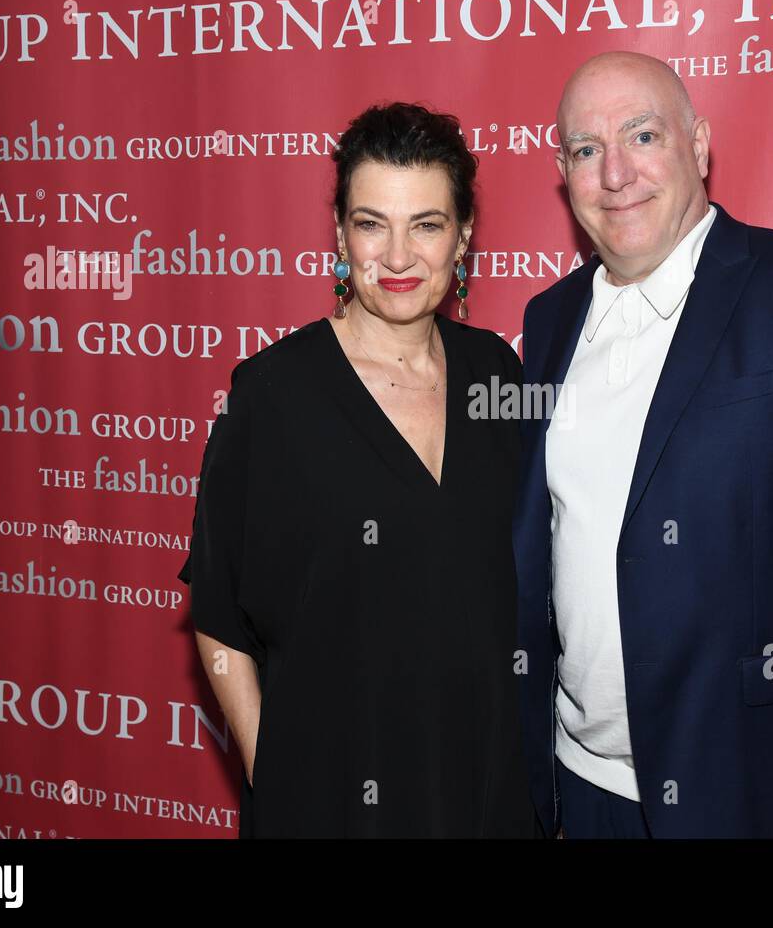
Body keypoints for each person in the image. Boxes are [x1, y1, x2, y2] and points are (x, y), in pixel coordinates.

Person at [514, 51, 773, 838]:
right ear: (563, 172)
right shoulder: (547, 323)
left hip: (756, 794)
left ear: (699, 146)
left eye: (642, 136)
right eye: (584, 150)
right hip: (583, 791)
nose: (615, 174)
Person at [178, 101, 535, 837]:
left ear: (464, 234)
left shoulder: (500, 374)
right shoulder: (271, 396)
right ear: (340, 233)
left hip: (489, 792)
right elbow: (218, 616)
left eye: (427, 225)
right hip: (330, 798)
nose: (398, 256)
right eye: (372, 224)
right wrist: (272, 772)